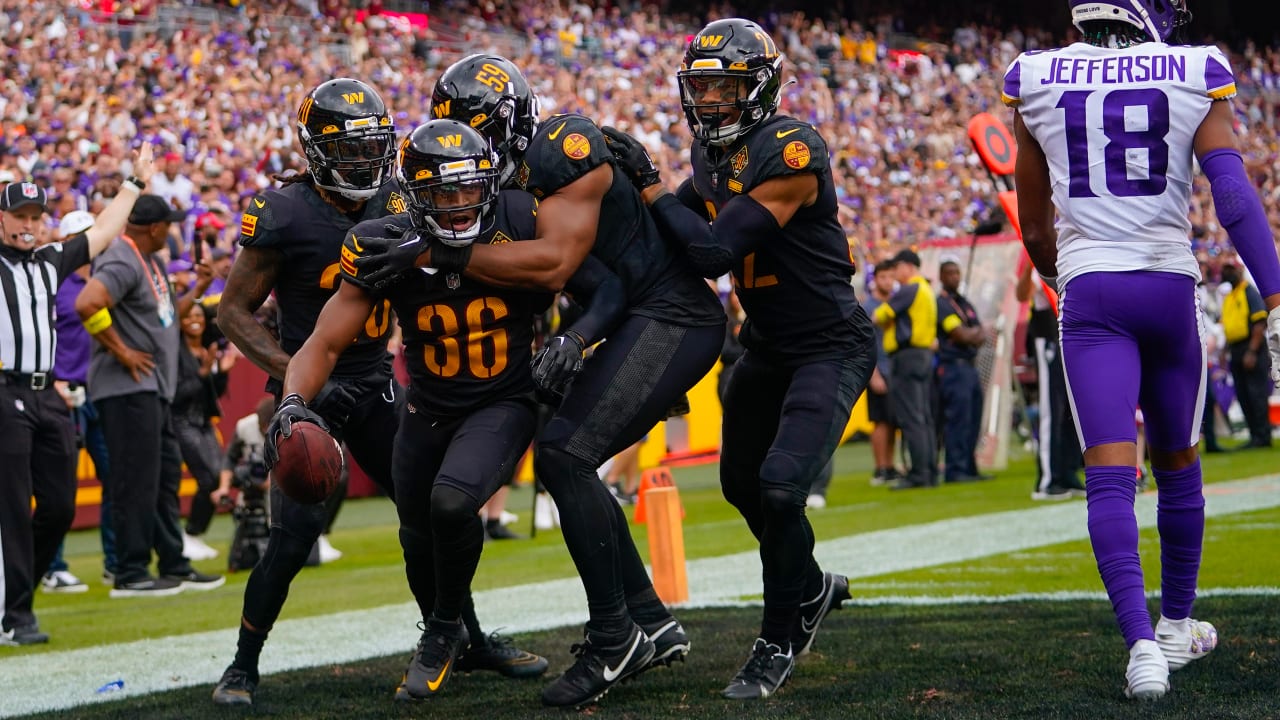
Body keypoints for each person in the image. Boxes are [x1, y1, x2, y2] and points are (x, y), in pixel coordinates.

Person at [355, 54, 726, 708]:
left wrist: (440, 250)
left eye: (482, 131)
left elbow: (557, 266)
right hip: (632, 314)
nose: (474, 152)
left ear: (514, 122)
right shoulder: (509, 182)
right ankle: (651, 619)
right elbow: (590, 283)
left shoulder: (562, 148)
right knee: (565, 452)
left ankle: (616, 638)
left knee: (562, 453)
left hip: (666, 313)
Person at [212, 80, 540, 706]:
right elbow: (233, 313)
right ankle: (242, 664)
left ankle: (459, 638)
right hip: (311, 385)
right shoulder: (283, 212)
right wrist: (294, 381)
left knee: (434, 516)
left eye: (373, 146)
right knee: (294, 534)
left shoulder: (403, 195)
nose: (364, 161)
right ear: (314, 149)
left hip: (378, 384)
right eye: (348, 148)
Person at [277, 119, 621, 700]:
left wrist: (573, 337)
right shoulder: (387, 237)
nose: (460, 203)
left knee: (452, 502)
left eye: (469, 187)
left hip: (504, 398)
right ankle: (452, 633)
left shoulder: (517, 216)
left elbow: (600, 287)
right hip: (429, 408)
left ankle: (441, 633)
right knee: (415, 532)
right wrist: (291, 402)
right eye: (443, 190)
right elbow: (324, 342)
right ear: (413, 193)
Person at [1005, 0, 1280, 699]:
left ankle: (1140, 651)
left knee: (1108, 472)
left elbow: (1035, 231)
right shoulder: (1193, 68)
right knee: (1180, 461)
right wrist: (1276, 297)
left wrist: (1068, 273)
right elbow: (1233, 194)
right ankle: (1177, 625)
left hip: (1092, 289)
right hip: (1167, 286)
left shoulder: (1034, 75)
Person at [601, 18, 873, 700]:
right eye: (702, 87)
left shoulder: (791, 149)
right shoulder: (712, 154)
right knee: (742, 488)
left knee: (782, 488)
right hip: (765, 347)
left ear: (759, 87)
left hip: (826, 344)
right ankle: (807, 587)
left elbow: (717, 250)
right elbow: (676, 228)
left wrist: (652, 185)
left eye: (724, 85)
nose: (711, 100)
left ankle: (778, 638)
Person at [0, 157, 155, 645]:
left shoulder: (50, 261)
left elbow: (105, 230)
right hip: (4, 392)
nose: (28, 224)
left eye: (34, 216)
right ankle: (16, 614)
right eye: (19, 215)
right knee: (11, 509)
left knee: (60, 506)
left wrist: (132, 183)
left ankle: (15, 597)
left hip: (50, 396)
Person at [76, 194, 226, 599]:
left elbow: (164, 316)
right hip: (126, 389)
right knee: (135, 480)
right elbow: (88, 303)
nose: (172, 230)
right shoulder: (123, 259)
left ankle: (172, 563)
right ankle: (130, 572)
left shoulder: (151, 262)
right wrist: (122, 350)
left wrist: (199, 286)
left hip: (152, 388)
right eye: (169, 224)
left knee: (162, 479)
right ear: (155, 228)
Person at [1016, 261, 1086, 500]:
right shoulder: (1043, 265)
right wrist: (1028, 268)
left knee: (1072, 411)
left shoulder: (1072, 257)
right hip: (1049, 340)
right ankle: (1047, 479)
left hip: (1073, 339)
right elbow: (1021, 295)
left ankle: (1068, 472)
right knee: (1051, 411)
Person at [873, 249, 938, 490]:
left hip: (907, 356)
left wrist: (884, 314)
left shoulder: (910, 289)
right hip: (923, 355)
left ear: (907, 266)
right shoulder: (927, 290)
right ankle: (929, 471)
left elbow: (878, 315)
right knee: (924, 416)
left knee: (911, 417)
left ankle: (919, 473)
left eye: (897, 267)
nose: (895, 272)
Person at [174, 299, 234, 560]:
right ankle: (189, 535)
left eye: (199, 315)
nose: (194, 320)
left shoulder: (208, 350)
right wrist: (203, 372)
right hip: (182, 422)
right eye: (188, 316)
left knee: (219, 478)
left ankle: (195, 536)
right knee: (208, 479)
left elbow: (215, 393)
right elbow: (176, 395)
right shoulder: (175, 353)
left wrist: (221, 373)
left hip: (204, 422)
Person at [935, 259, 989, 483]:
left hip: (970, 367)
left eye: (956, 273)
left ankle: (970, 467)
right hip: (953, 367)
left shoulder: (964, 303)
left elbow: (982, 334)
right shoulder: (942, 304)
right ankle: (955, 469)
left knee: (974, 418)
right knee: (958, 419)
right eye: (949, 273)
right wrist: (974, 334)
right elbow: (961, 334)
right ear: (941, 276)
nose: (954, 277)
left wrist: (974, 334)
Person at [1218, 260, 1272, 448]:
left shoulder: (1248, 291)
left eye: (1230, 269)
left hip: (1251, 346)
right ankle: (1254, 435)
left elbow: (1259, 322)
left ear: (1239, 270)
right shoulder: (1230, 296)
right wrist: (1225, 351)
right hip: (1236, 348)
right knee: (1243, 394)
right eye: (1225, 270)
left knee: (1256, 393)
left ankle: (1263, 436)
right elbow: (1230, 326)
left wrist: (1252, 351)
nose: (1227, 274)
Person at [863, 260, 900, 485]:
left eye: (890, 277)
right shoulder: (869, 307)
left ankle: (891, 465)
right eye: (883, 277)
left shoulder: (896, 302)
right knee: (880, 422)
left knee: (893, 420)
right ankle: (880, 468)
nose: (888, 281)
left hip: (896, 368)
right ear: (875, 279)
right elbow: (864, 344)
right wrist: (872, 373)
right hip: (879, 368)